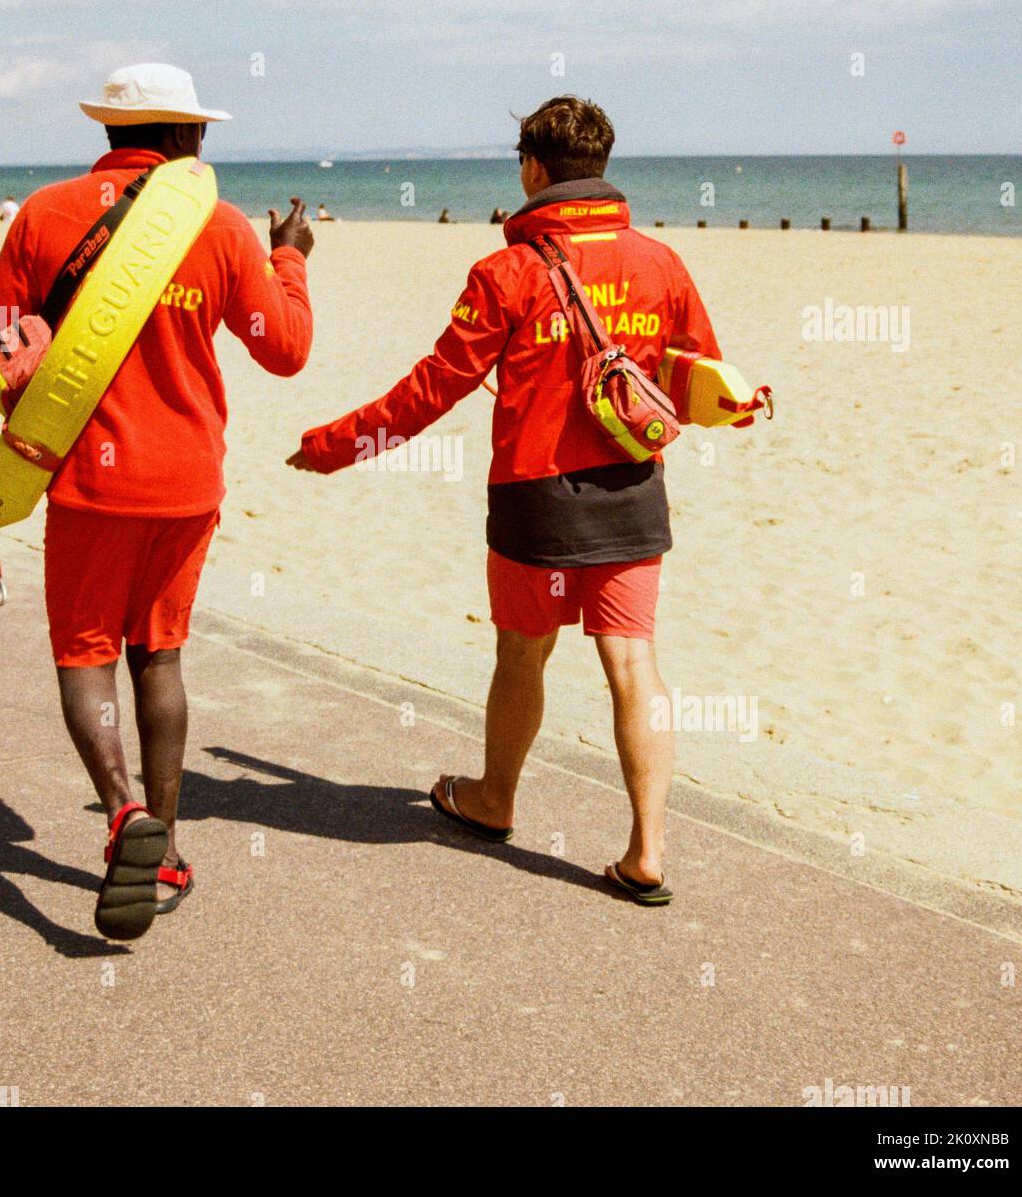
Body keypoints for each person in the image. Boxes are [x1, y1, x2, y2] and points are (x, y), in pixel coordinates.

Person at [288, 95, 720, 905]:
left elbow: (432, 390)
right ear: (601, 166)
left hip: (535, 499)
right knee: (634, 663)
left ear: (531, 168)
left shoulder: (507, 272)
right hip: (632, 492)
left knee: (523, 654)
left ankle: (495, 800)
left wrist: (334, 447)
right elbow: (700, 377)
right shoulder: (662, 262)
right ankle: (648, 851)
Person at [0, 62, 314, 940]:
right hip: (187, 482)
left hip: (88, 482)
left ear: (114, 134)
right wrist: (291, 259)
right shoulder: (224, 227)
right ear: (188, 138)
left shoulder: (45, 214)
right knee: (158, 658)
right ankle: (161, 851)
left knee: (85, 656)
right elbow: (286, 350)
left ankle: (124, 813)